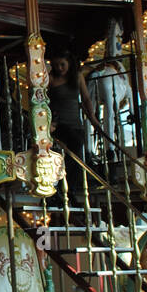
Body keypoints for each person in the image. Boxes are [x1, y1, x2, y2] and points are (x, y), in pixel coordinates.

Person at [47, 52, 101, 198]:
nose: (59, 68)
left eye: (62, 64)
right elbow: (43, 100)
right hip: (59, 123)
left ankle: (68, 190)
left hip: (76, 123)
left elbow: (86, 99)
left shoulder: (77, 77)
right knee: (75, 148)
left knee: (77, 156)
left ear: (69, 63)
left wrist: (93, 118)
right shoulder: (51, 79)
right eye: (56, 65)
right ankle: (65, 189)